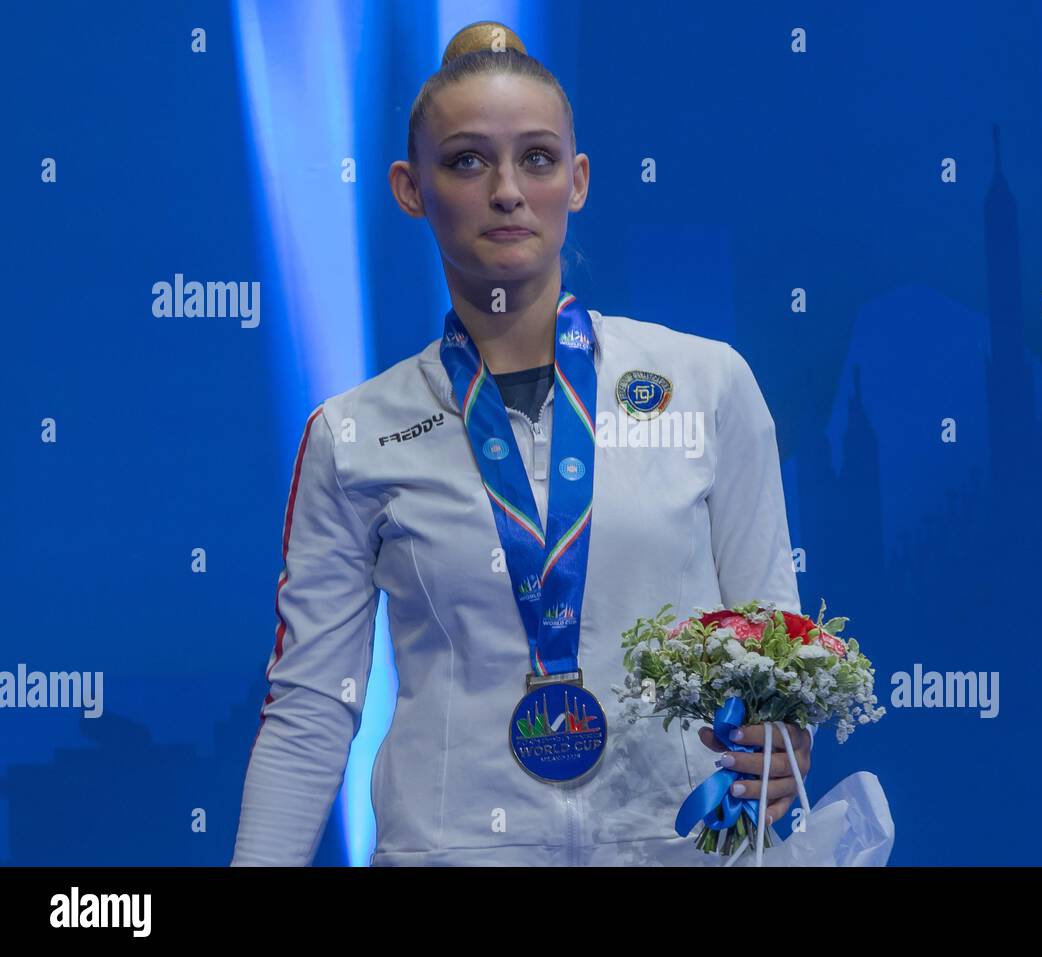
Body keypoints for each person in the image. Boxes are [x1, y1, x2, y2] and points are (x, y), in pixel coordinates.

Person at [230, 20, 815, 867]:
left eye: (537, 159)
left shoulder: (708, 384)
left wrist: (785, 740)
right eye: (467, 160)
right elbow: (314, 706)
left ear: (577, 182)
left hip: (676, 849)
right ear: (409, 186)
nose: (507, 189)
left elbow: (774, 640)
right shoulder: (354, 434)